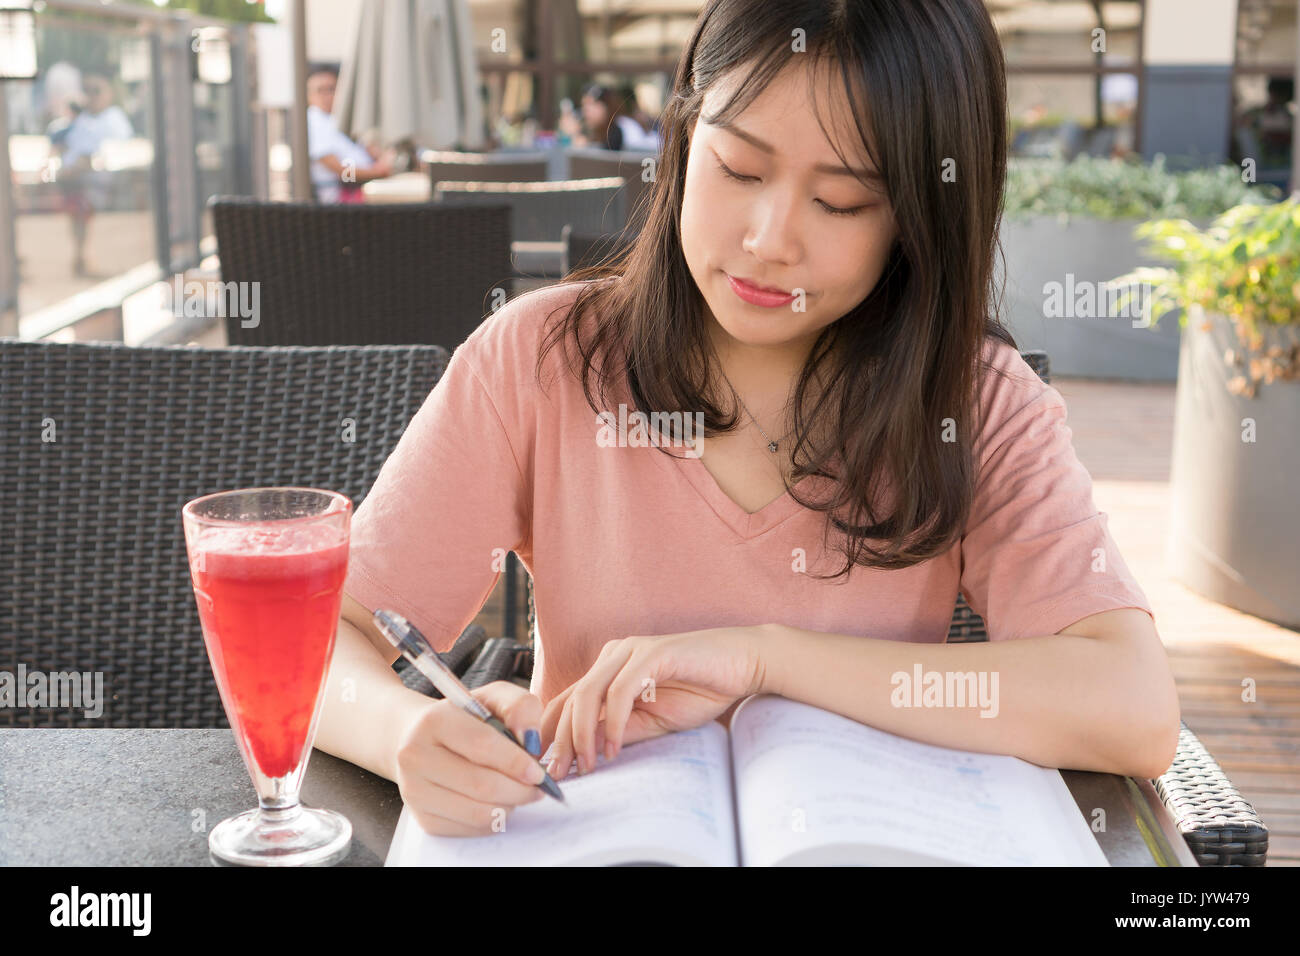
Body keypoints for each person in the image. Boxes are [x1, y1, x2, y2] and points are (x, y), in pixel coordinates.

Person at [314, 0, 1179, 837]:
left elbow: (1132, 707)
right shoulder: (539, 361)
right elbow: (322, 646)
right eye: (739, 167)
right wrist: (403, 735)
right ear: (686, 142)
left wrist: (768, 658)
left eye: (840, 201)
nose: (771, 238)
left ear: (918, 221)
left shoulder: (975, 405)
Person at [52, 72, 132, 277]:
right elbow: (63, 148)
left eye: (96, 91)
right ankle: (80, 256)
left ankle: (82, 256)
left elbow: (113, 147)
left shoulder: (112, 119)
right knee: (77, 219)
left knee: (84, 219)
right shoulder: (78, 120)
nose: (91, 97)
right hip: (75, 181)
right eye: (87, 91)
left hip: (94, 181)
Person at [305, 63, 393, 203]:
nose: (327, 95)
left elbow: (368, 148)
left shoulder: (338, 118)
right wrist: (380, 173)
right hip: (344, 197)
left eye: (332, 89)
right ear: (309, 94)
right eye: (320, 90)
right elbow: (343, 172)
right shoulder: (313, 121)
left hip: (364, 188)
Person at [560, 83, 661, 152]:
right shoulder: (602, 128)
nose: (586, 110)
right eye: (584, 105)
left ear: (607, 106)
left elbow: (606, 161)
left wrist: (575, 136)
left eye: (592, 104)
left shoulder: (620, 127)